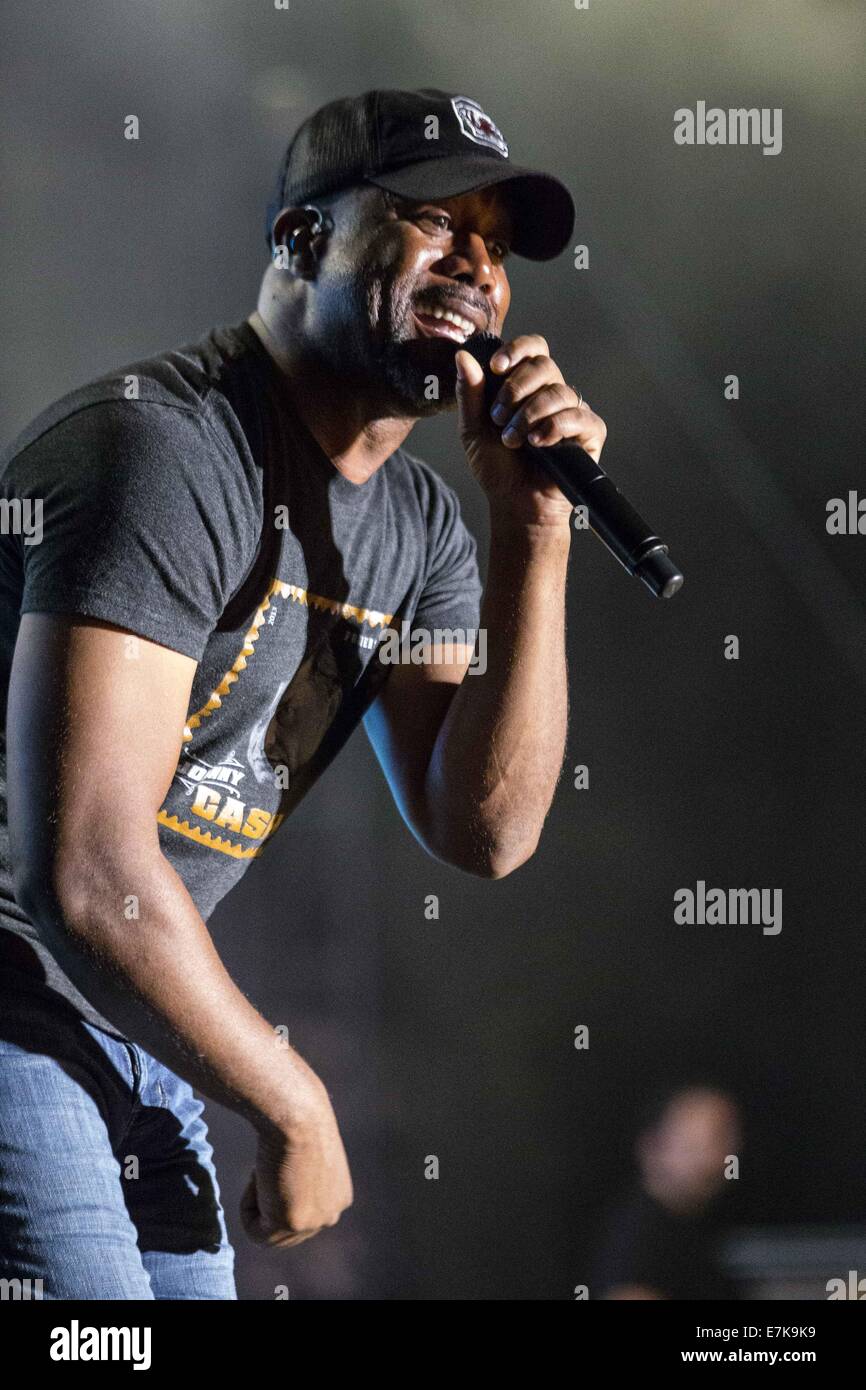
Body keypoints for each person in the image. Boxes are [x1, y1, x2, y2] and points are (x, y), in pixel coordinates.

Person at [0, 87, 606, 1299]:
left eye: (495, 243)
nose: (476, 265)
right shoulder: (160, 451)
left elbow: (484, 830)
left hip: (125, 1025)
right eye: (436, 221)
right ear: (301, 240)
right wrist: (295, 1101)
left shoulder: (426, 529)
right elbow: (85, 873)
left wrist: (532, 530)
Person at [592, 1084, 743, 1300]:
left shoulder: (690, 1228)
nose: (715, 1159)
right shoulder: (639, 1232)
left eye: (725, 1141)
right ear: (651, 1145)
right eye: (693, 1147)